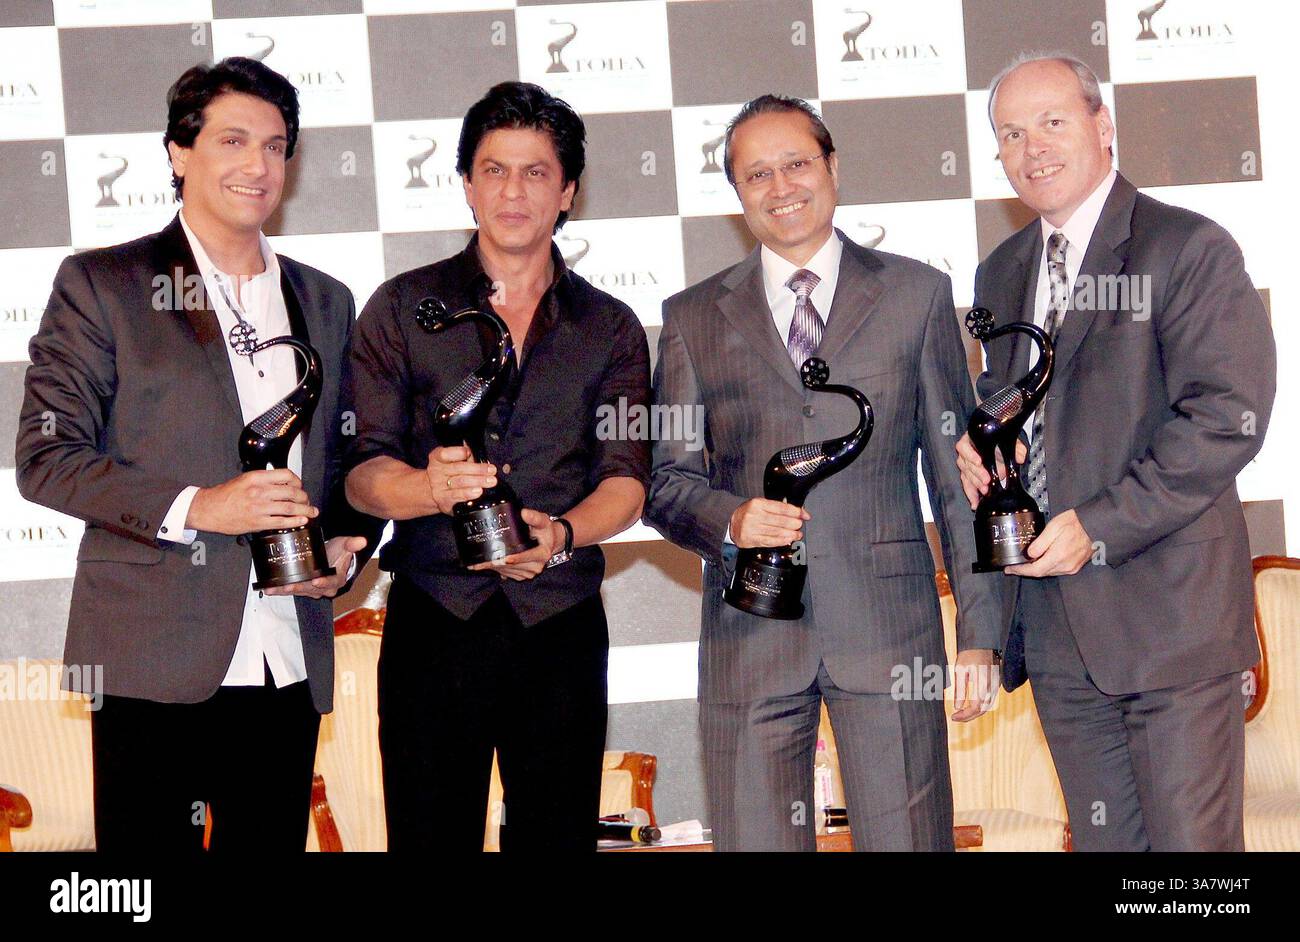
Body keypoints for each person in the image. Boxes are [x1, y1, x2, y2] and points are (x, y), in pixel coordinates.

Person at [15, 57, 378, 852]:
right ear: (179, 153)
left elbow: (354, 457)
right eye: (233, 140)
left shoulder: (325, 298)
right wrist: (199, 507)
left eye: (277, 146)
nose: (257, 165)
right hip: (150, 658)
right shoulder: (104, 283)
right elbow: (46, 455)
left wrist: (347, 556)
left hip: (287, 655)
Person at [643, 94, 1003, 852]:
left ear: (833, 166)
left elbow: (956, 476)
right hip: (751, 632)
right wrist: (732, 520)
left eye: (797, 163)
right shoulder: (693, 317)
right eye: (756, 175)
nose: (781, 188)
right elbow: (666, 482)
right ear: (737, 194)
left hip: (889, 629)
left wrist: (979, 632)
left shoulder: (917, 295)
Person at [955, 53, 1275, 850]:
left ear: (1103, 126)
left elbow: (1225, 418)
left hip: (1171, 621)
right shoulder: (1000, 273)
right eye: (1011, 134)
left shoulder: (1186, 247)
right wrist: (984, 451)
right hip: (1060, 634)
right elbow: (1022, 413)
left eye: (1053, 122)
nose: (1033, 149)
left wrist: (1098, 524)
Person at [343, 82, 650, 852]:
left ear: (568, 189)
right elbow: (360, 471)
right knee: (427, 835)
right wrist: (425, 488)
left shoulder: (610, 327)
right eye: (495, 170)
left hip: (561, 622)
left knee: (556, 838)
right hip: (434, 621)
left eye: (537, 172)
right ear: (468, 185)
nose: (514, 191)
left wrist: (564, 534)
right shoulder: (401, 308)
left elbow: (628, 478)